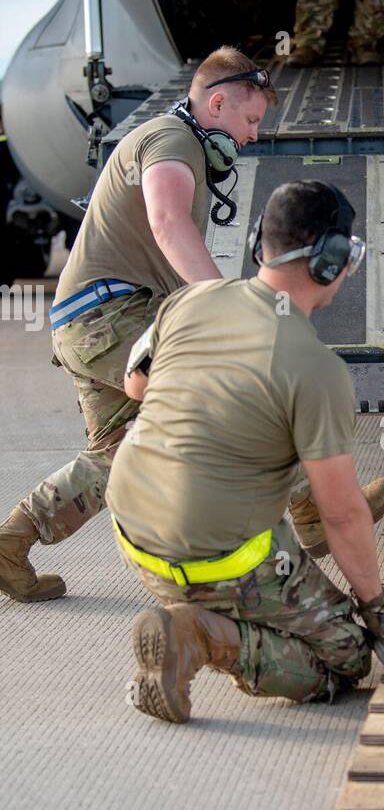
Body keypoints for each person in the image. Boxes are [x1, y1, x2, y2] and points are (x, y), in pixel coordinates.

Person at [105, 180, 384, 722]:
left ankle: (206, 608)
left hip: (132, 530)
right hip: (218, 556)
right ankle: (201, 635)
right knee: (346, 659)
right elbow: (340, 513)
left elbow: (135, 385)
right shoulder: (316, 369)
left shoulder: (190, 299)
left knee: (259, 459)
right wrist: (375, 607)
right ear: (333, 261)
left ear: (257, 247)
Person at [0, 48, 275, 605]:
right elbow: (168, 220)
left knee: (119, 454)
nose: (251, 138)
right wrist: (226, 304)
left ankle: (10, 544)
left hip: (92, 320)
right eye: (250, 122)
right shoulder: (172, 140)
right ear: (216, 102)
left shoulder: (181, 143)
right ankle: (316, 515)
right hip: (111, 317)